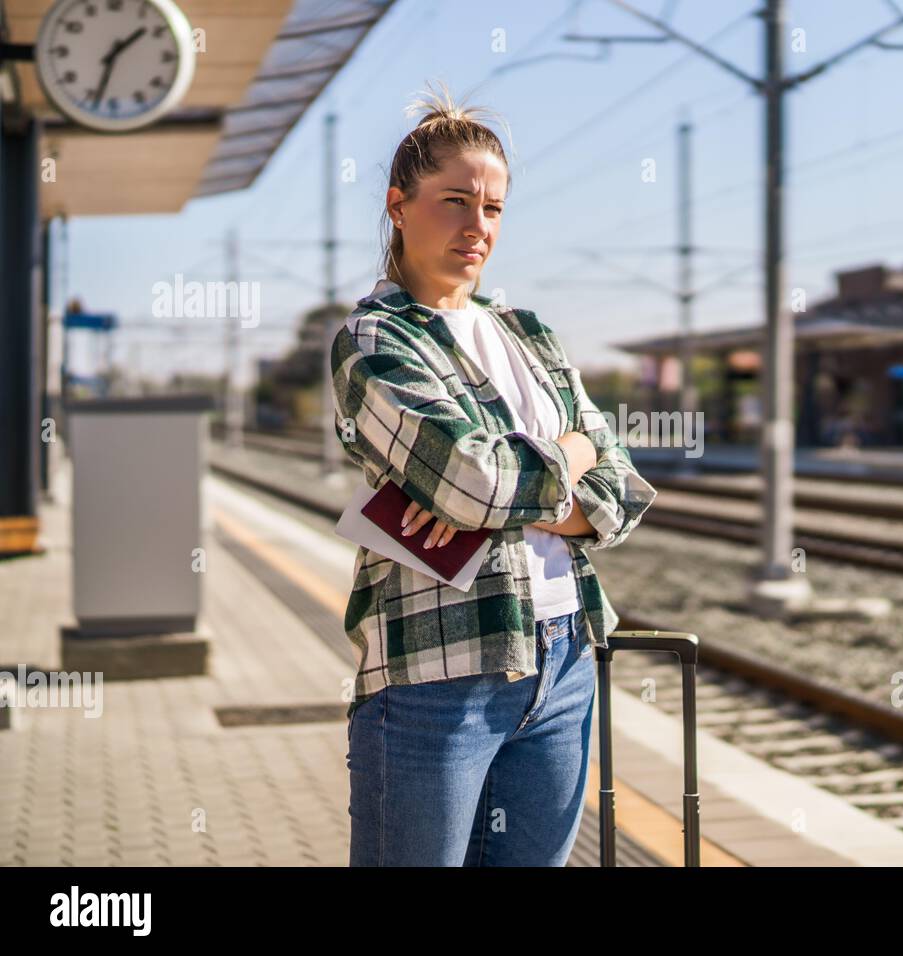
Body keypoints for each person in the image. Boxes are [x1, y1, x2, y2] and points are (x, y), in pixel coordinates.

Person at [330, 80, 658, 866]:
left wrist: (522, 488)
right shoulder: (375, 339)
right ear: (398, 204)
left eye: (494, 208)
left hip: (566, 655)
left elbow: (622, 488)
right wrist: (570, 452)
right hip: (436, 676)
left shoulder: (530, 333)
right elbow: (474, 484)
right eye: (454, 201)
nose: (477, 227)